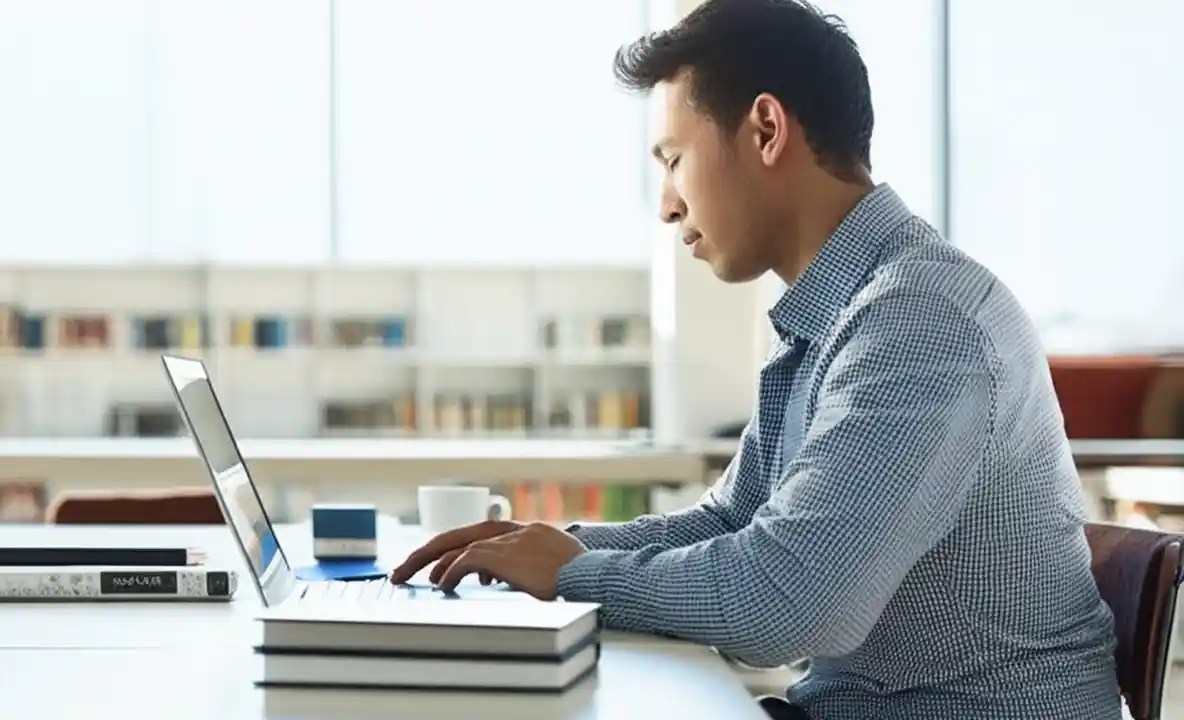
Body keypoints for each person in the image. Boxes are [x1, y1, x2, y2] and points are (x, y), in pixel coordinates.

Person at [390, 1, 1122, 717]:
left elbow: (787, 600)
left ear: (766, 130)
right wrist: (546, 549)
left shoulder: (921, 319)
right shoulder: (836, 313)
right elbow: (731, 520)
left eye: (674, 159)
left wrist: (576, 576)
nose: (667, 205)